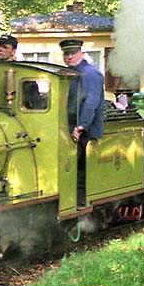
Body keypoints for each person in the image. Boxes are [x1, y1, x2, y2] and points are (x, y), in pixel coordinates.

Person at [61, 38, 104, 207]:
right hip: (69, 125)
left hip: (87, 129)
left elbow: (91, 101)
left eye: (72, 53)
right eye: (66, 54)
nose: (69, 57)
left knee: (79, 165)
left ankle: (80, 199)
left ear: (81, 53)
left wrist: (81, 125)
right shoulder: (66, 74)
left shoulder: (91, 74)